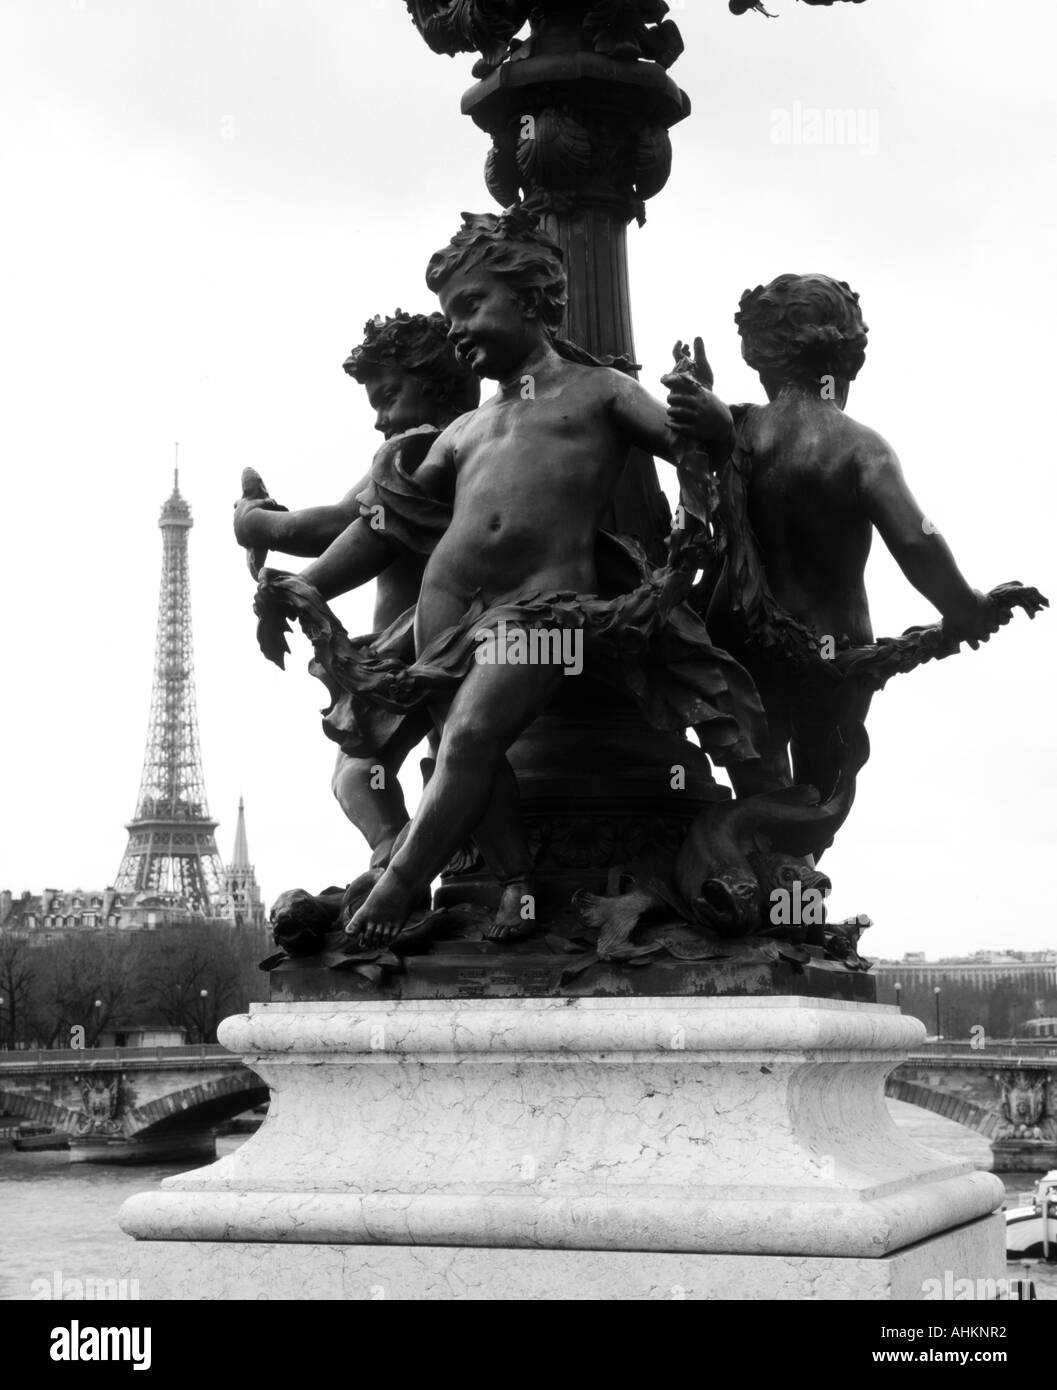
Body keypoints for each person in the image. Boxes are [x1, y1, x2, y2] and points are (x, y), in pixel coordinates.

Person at [301, 209, 763, 946]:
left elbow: (689, 448)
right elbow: (391, 523)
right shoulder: (463, 429)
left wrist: (711, 419)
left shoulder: (598, 390)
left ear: (532, 299)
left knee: (474, 736)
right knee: (462, 746)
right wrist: (311, 584)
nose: (456, 327)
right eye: (449, 313)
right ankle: (513, 881)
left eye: (471, 305)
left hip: (547, 616)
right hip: (446, 604)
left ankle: (398, 886)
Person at [704, 272, 1006, 799]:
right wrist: (964, 606)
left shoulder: (735, 432)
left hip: (736, 643)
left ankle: (757, 857)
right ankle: (787, 871)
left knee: (760, 785)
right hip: (831, 655)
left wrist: (701, 398)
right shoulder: (860, 447)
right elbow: (916, 539)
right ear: (848, 360)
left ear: (760, 359)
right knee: (818, 795)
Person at [233, 311, 479, 879]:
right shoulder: (463, 447)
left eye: (388, 396)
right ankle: (406, 861)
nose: (380, 420)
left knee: (359, 773)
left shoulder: (422, 450)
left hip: (413, 650)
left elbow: (336, 525)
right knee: (444, 762)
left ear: (437, 383)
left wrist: (255, 524)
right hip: (431, 644)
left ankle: (396, 862)